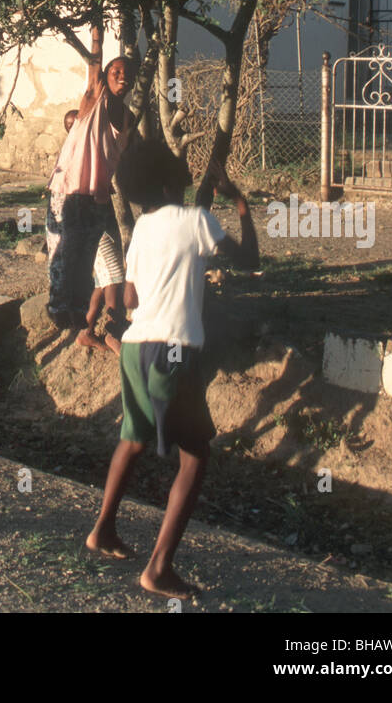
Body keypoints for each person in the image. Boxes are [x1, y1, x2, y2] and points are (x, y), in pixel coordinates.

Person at [86, 146, 259, 599]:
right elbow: (248, 261)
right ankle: (158, 569)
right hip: (173, 351)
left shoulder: (142, 226)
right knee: (196, 454)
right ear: (167, 184)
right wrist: (239, 203)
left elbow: (128, 299)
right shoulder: (194, 219)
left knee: (133, 438)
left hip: (135, 347)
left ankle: (103, 529)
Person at [46, 21, 134, 331]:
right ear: (104, 79)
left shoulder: (126, 118)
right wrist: (97, 25)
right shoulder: (92, 100)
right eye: (115, 72)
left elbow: (118, 158)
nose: (122, 77)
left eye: (127, 74)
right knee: (63, 251)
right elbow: (95, 61)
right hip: (68, 190)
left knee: (86, 258)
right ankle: (58, 308)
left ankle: (79, 314)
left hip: (97, 196)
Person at [46, 107, 127, 354]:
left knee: (104, 279)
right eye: (69, 126)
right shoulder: (71, 159)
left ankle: (87, 331)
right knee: (113, 274)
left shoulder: (91, 150)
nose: (74, 128)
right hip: (88, 225)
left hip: (97, 221)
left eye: (76, 124)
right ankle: (115, 331)